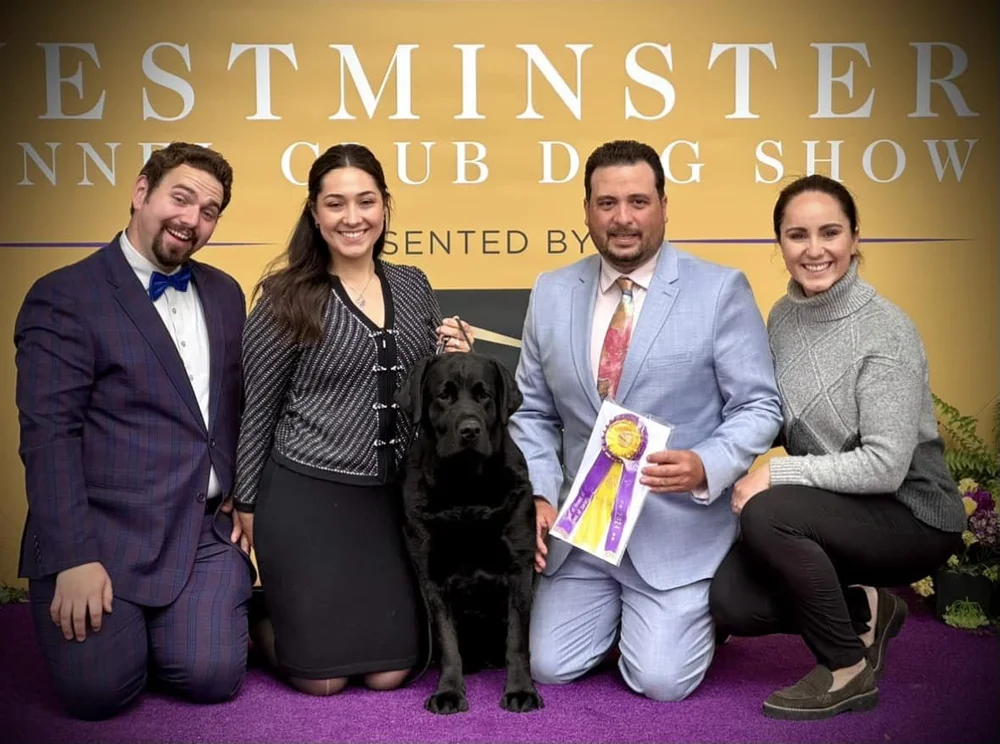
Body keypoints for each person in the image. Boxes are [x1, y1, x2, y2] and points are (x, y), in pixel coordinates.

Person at [508, 139, 783, 702]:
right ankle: (625, 614)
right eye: (607, 204)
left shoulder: (719, 290)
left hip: (676, 528)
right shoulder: (551, 290)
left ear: (663, 205)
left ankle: (690, 615)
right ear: (586, 210)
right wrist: (539, 493)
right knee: (549, 667)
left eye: (638, 201)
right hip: (583, 534)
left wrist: (705, 464)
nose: (623, 218)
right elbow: (533, 412)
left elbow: (760, 406)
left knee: (660, 683)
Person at [708, 174, 967, 720]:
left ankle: (846, 669)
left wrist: (773, 476)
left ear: (854, 237)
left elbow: (885, 467)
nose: (814, 249)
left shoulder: (884, 331)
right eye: (797, 235)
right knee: (732, 601)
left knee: (768, 512)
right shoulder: (782, 317)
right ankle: (867, 608)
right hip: (838, 507)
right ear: (779, 244)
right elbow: (778, 419)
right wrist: (701, 449)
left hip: (911, 513)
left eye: (830, 232)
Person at [13, 142, 255, 720]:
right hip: (102, 536)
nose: (192, 220)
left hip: (200, 533)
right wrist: (73, 556)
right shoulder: (65, 296)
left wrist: (247, 500)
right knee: (98, 694)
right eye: (181, 198)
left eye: (209, 211)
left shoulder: (225, 293)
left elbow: (240, 410)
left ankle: (193, 617)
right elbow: (49, 436)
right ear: (140, 191)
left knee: (210, 676)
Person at [232, 143, 473, 697]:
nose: (352, 217)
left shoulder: (413, 284)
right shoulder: (285, 296)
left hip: (391, 502)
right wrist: (247, 504)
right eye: (335, 203)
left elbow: (430, 387)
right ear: (314, 213)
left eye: (365, 201)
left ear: (385, 206)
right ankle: (264, 625)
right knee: (324, 682)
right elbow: (259, 407)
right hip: (306, 497)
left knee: (391, 674)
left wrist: (453, 355)